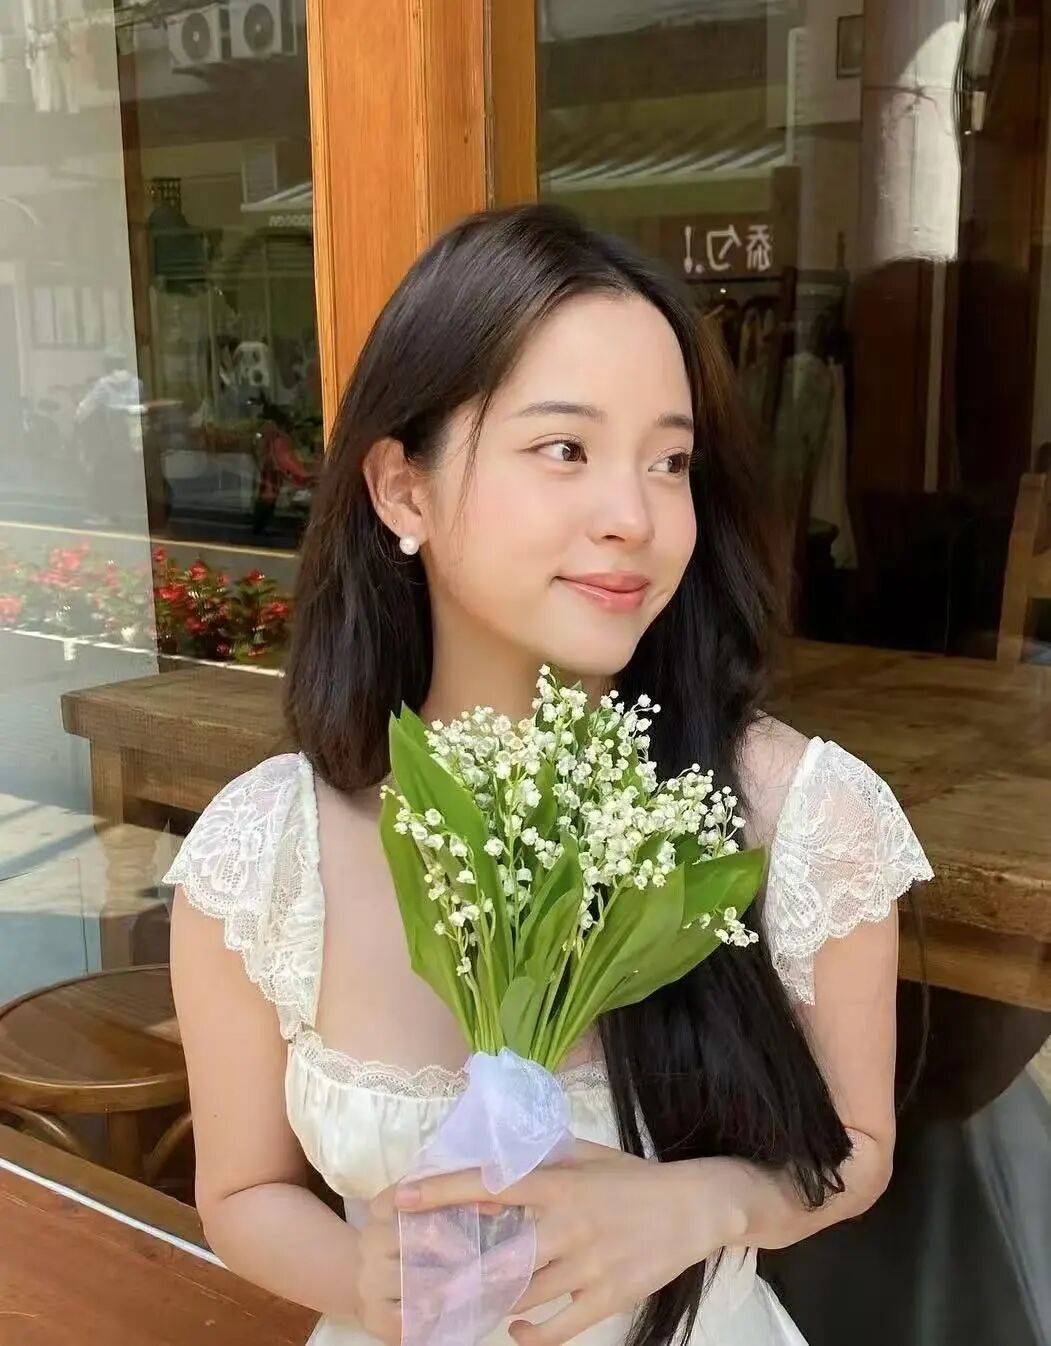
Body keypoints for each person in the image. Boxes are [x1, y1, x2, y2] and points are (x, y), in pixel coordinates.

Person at [163, 203, 934, 1346]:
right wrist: (365, 1276)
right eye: (565, 449)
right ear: (403, 489)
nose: (633, 516)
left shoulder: (797, 810)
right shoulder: (269, 850)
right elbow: (241, 1190)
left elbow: (855, 1149)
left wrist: (697, 1202)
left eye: (669, 461)